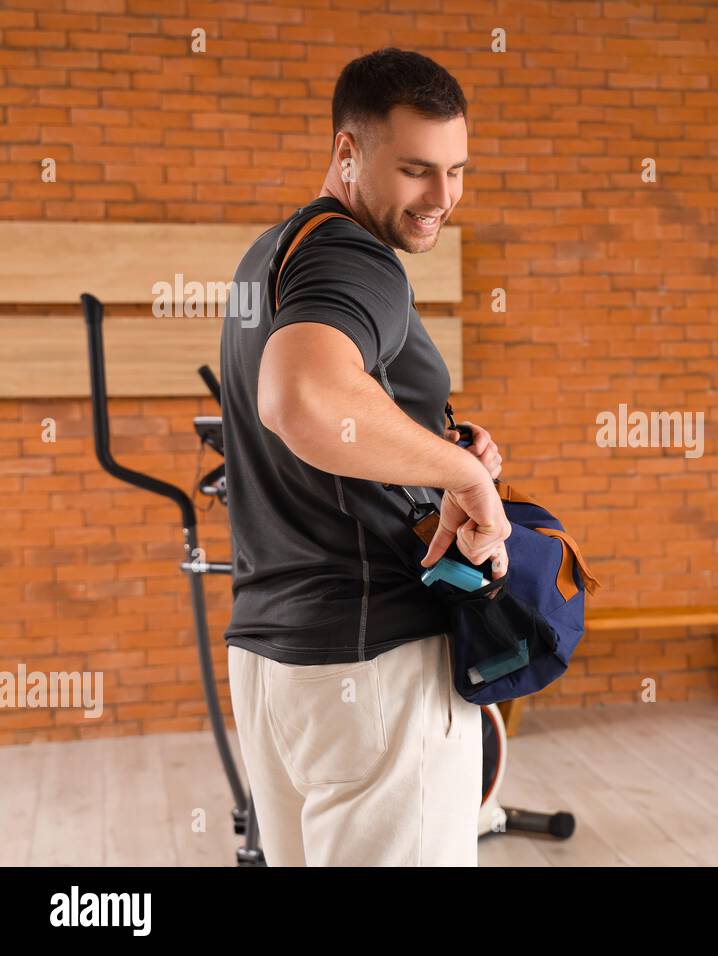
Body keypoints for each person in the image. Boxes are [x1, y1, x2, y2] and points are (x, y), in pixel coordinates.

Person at [218, 48, 508, 866]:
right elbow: (301, 401)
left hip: (278, 666)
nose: (443, 198)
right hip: (371, 663)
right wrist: (467, 476)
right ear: (346, 152)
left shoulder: (270, 255)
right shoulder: (357, 257)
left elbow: (333, 419)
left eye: (457, 170)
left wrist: (440, 443)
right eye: (417, 170)